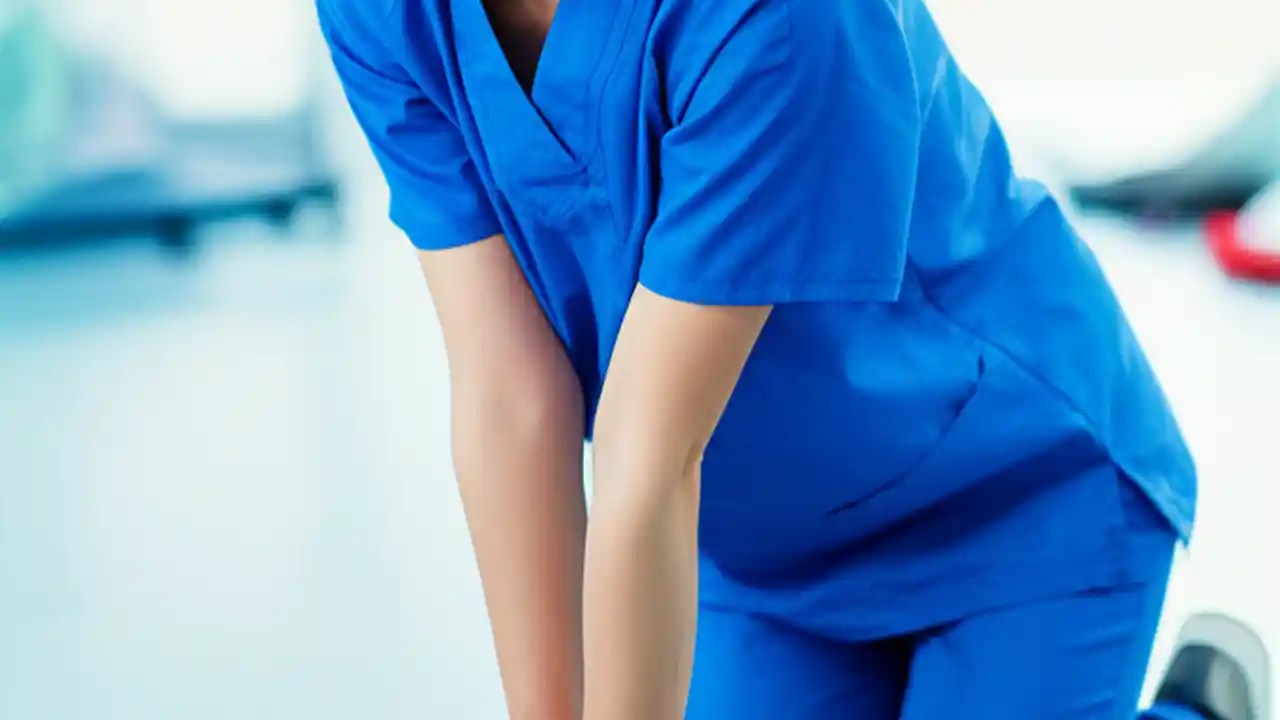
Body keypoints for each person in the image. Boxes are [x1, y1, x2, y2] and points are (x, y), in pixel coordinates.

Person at [317, 0, 1197, 717]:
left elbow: (647, 452)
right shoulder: (385, 13)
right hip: (755, 545)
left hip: (1015, 498)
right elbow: (512, 397)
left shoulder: (781, 12)